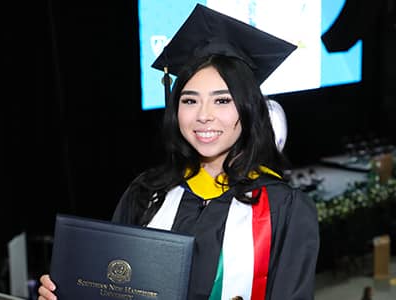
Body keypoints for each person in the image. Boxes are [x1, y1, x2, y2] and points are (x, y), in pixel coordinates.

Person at [38, 4, 319, 300]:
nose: (203, 115)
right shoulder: (147, 194)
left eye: (222, 101)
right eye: (189, 101)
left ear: (249, 109)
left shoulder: (284, 208)